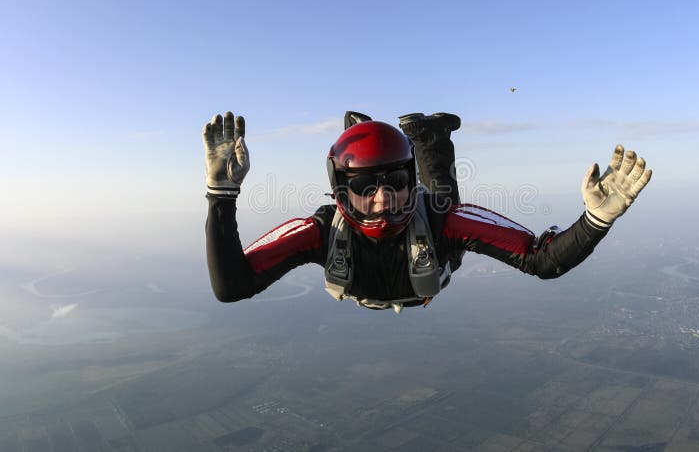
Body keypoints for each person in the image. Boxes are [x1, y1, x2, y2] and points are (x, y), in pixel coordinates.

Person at [204, 111, 652, 313]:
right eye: (364, 187)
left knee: (438, 196)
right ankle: (397, 134)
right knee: (437, 196)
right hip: (417, 271)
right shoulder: (324, 230)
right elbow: (232, 286)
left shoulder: (440, 222)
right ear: (339, 189)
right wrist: (220, 193)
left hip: (432, 240)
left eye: (397, 182)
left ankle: (421, 137)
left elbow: (540, 258)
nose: (383, 199)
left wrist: (597, 219)